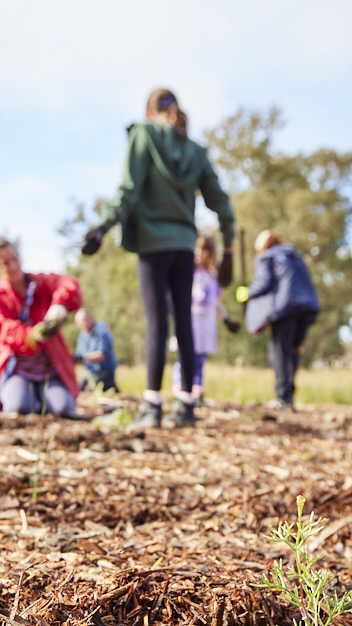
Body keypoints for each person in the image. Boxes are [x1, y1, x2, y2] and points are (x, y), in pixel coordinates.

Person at [81, 88, 234, 429]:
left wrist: (104, 225)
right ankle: (186, 404)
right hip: (183, 245)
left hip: (152, 244)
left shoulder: (144, 135)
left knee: (157, 323)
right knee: (183, 321)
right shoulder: (196, 151)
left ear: (150, 113)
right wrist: (229, 247)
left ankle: (152, 403)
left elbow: (129, 190)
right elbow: (220, 201)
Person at [0, 239, 83, 416]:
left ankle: (44, 396)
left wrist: (59, 305)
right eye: (6, 263)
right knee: (19, 408)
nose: (13, 266)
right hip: (18, 370)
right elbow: (1, 328)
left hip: (49, 368)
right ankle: (27, 397)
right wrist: (32, 335)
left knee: (63, 409)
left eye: (15, 259)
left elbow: (70, 284)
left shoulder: (39, 283)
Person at [244, 230, 319, 411]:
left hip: (286, 308)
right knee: (292, 351)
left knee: (278, 352)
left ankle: (283, 398)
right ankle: (288, 397)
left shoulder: (267, 257)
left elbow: (263, 283)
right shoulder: (294, 256)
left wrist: (246, 294)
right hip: (307, 307)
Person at [174, 234, 239, 403]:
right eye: (198, 249)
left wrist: (226, 319)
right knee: (185, 354)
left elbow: (216, 301)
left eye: (204, 250)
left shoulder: (212, 276)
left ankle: (197, 390)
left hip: (206, 323)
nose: (200, 254)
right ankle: (180, 388)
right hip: (190, 320)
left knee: (200, 359)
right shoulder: (186, 272)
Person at [72, 310, 118, 393]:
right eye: (78, 322)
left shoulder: (102, 332)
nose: (81, 324)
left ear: (91, 319)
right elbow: (79, 356)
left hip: (105, 372)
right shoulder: (82, 336)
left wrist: (82, 357)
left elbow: (101, 355)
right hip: (90, 373)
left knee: (89, 389)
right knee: (78, 388)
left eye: (83, 320)